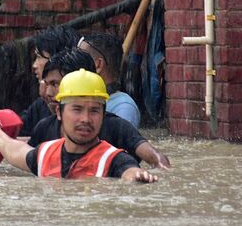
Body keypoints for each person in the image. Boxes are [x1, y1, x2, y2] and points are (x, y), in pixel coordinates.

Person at [0, 69, 158, 182]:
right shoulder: (45, 154)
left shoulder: (115, 160)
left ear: (104, 115)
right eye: (77, 109)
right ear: (59, 113)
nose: (86, 119)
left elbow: (129, 172)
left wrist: (136, 176)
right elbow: (14, 151)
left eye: (94, 111)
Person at [29, 54, 172, 170]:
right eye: (46, 84)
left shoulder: (116, 127)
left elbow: (156, 159)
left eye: (55, 84)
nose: (47, 92)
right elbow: (25, 159)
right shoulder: (44, 128)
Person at [78, 32, 141, 127]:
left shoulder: (123, 107)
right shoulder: (78, 98)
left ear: (98, 65)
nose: (74, 61)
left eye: (80, 57)